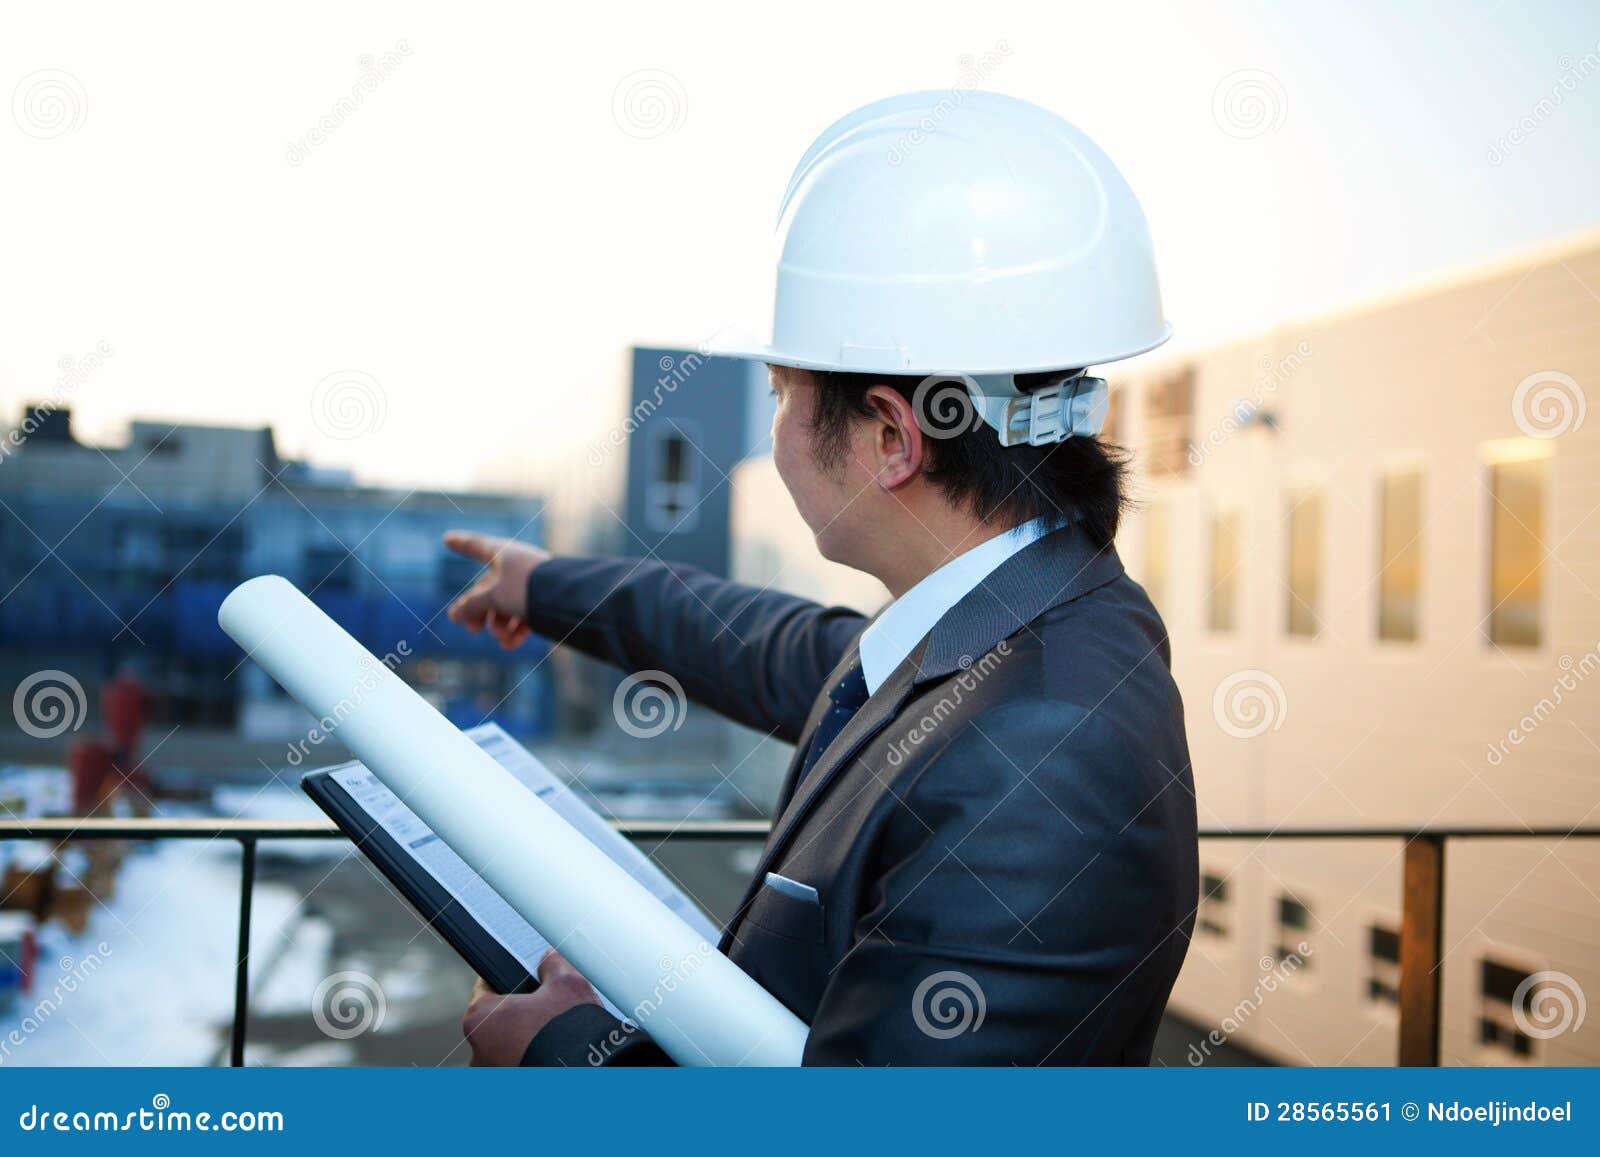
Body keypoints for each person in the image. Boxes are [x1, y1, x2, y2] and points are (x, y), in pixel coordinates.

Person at [448, 91, 1196, 1066]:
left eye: (779, 392)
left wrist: (563, 1052)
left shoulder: (1034, 748)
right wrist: (546, 584)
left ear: (889, 436)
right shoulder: (1011, 634)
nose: (774, 426)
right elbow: (767, 645)